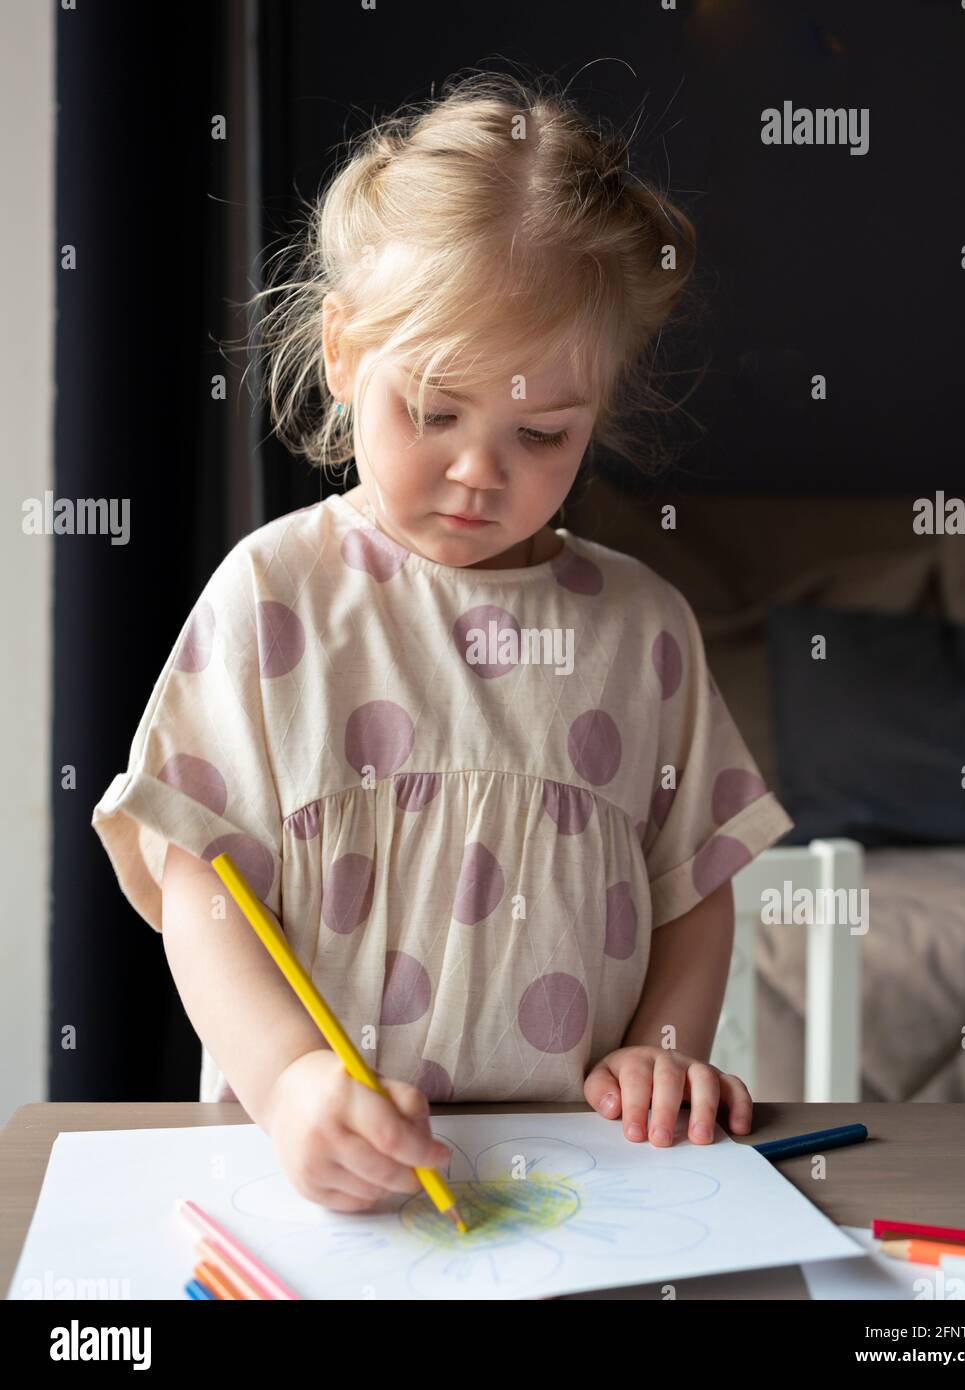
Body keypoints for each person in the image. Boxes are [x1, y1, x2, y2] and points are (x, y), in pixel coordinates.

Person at [92, 71, 794, 1214]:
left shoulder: (643, 628)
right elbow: (196, 879)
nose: (480, 469)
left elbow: (692, 885)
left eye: (541, 431)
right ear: (341, 353)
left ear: (597, 408)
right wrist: (288, 1080)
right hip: (323, 1186)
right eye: (433, 411)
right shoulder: (272, 595)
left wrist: (662, 1045)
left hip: (584, 1187)